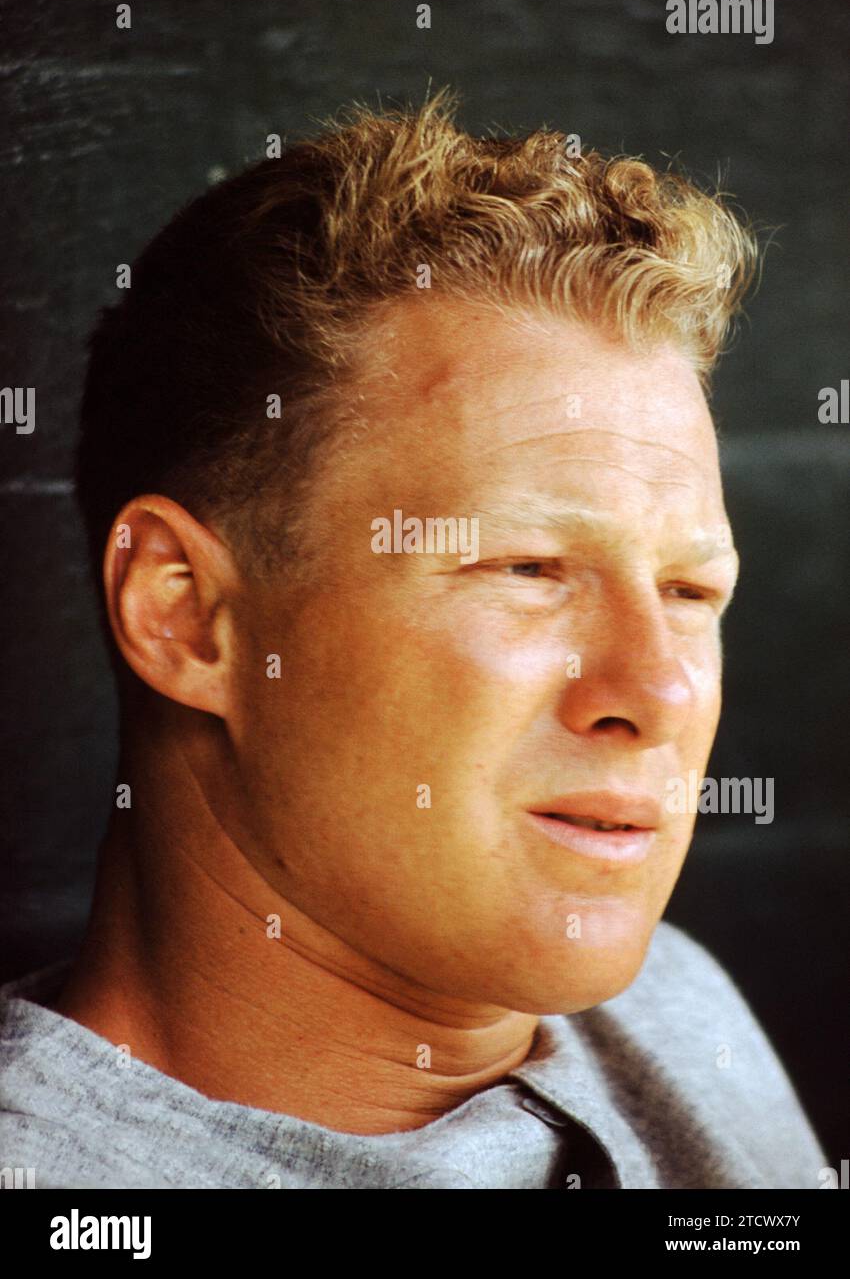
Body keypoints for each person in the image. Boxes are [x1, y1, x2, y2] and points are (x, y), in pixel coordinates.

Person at [0, 89, 827, 1189]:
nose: (661, 691)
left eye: (688, 589)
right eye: (527, 568)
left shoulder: (676, 1013)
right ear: (185, 614)